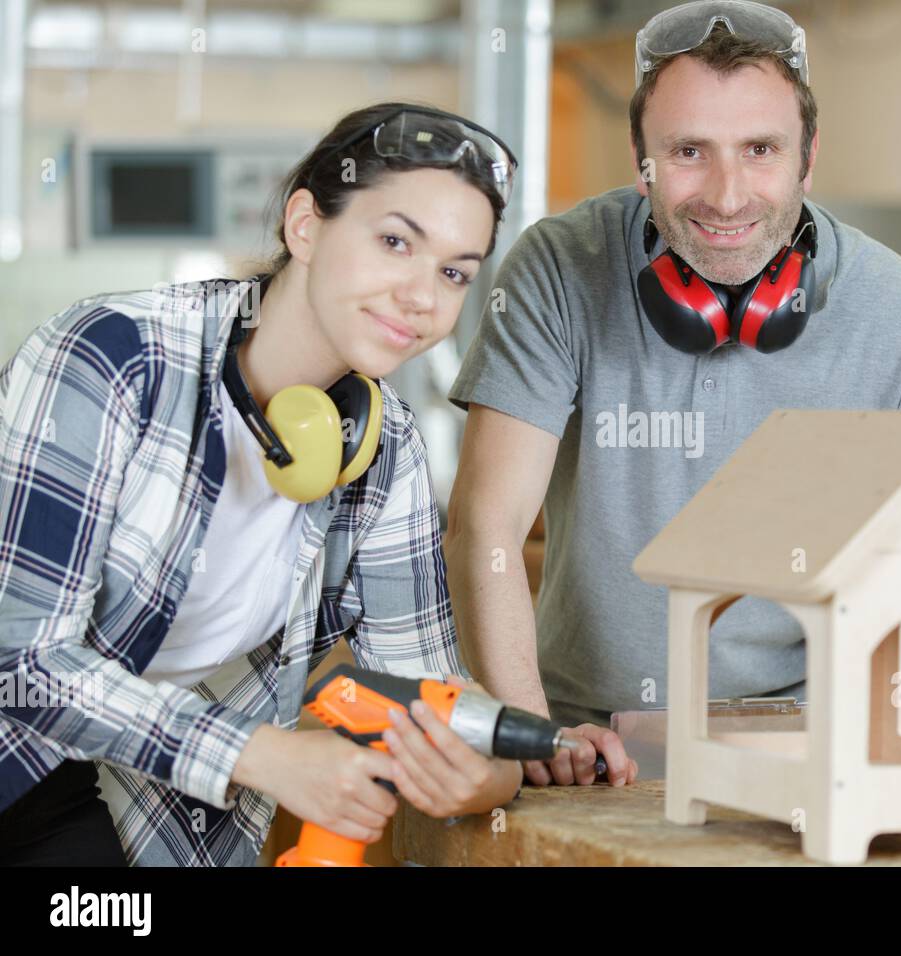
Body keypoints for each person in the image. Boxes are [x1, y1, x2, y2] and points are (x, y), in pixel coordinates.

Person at [444, 1, 901, 788]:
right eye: (688, 151)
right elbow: (487, 523)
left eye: (760, 150)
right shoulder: (560, 269)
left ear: (808, 158)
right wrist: (531, 733)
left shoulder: (899, 309)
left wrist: (873, 738)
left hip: (802, 747)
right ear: (640, 158)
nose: (727, 193)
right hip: (584, 742)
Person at [0, 102, 524, 865]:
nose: (423, 298)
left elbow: (429, 690)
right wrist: (265, 756)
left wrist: (493, 769)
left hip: (124, 791)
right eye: (393, 242)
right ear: (304, 226)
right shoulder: (112, 359)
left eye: (453, 273)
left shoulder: (385, 450)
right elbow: (22, 663)